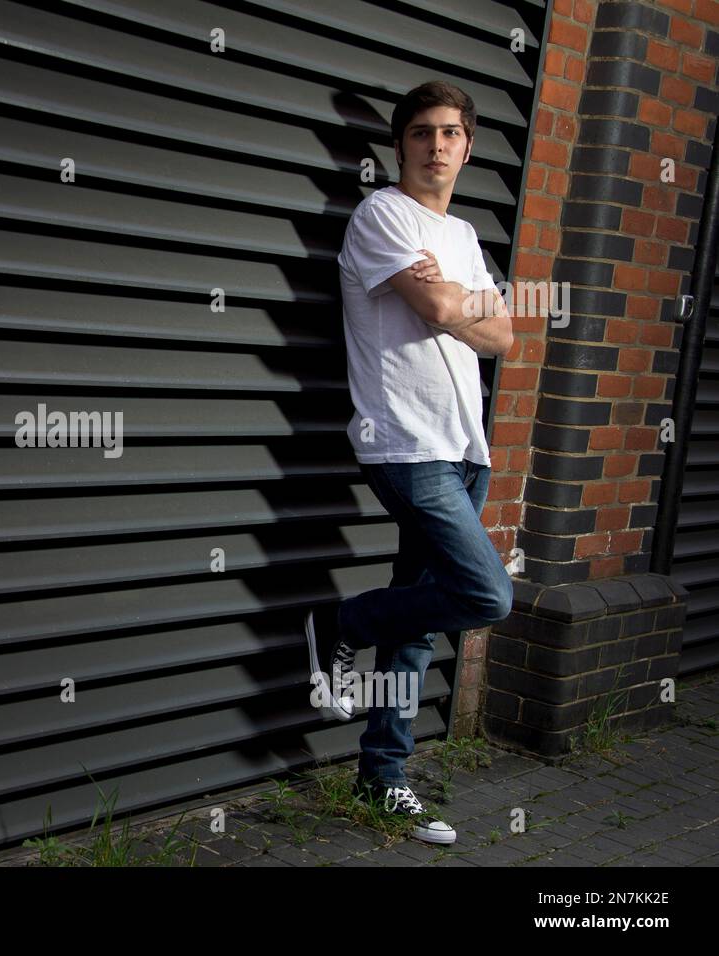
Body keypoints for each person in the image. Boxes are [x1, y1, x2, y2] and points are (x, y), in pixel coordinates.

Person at [304, 80, 516, 845]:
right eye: (422, 131)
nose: (436, 144)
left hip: (466, 447)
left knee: (419, 624)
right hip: (406, 442)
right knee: (486, 594)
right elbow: (436, 312)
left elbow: (510, 340)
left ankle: (381, 777)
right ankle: (342, 620)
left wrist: (461, 301)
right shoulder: (382, 215)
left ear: (468, 145)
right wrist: (465, 307)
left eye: (451, 132)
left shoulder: (460, 236)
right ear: (402, 144)